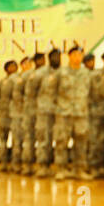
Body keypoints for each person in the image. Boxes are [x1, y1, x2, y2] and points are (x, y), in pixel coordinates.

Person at [53, 45, 90, 180]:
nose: (77, 57)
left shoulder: (86, 73)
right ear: (69, 56)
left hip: (81, 114)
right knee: (61, 142)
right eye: (74, 55)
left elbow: (91, 92)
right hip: (64, 113)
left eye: (80, 55)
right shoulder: (61, 73)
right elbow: (52, 92)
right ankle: (61, 170)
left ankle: (79, 170)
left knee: (81, 143)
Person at [34, 48, 60, 176]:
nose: (57, 59)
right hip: (44, 111)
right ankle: (43, 166)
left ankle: (60, 167)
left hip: (61, 112)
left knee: (60, 139)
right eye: (54, 56)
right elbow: (31, 92)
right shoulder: (41, 73)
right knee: (44, 139)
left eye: (59, 56)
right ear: (50, 58)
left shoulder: (63, 72)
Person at [19, 52, 46, 174]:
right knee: (29, 139)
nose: (42, 61)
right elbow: (18, 93)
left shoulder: (48, 74)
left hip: (43, 111)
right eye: (40, 59)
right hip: (30, 111)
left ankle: (41, 167)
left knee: (42, 139)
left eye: (43, 59)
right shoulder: (27, 76)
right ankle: (27, 166)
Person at [0, 59, 17, 171]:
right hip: (4, 115)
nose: (13, 68)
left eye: (14, 66)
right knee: (3, 140)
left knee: (17, 140)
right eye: (11, 66)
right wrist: (1, 108)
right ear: (6, 69)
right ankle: (3, 163)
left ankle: (15, 164)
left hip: (17, 115)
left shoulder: (20, 81)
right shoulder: (0, 83)